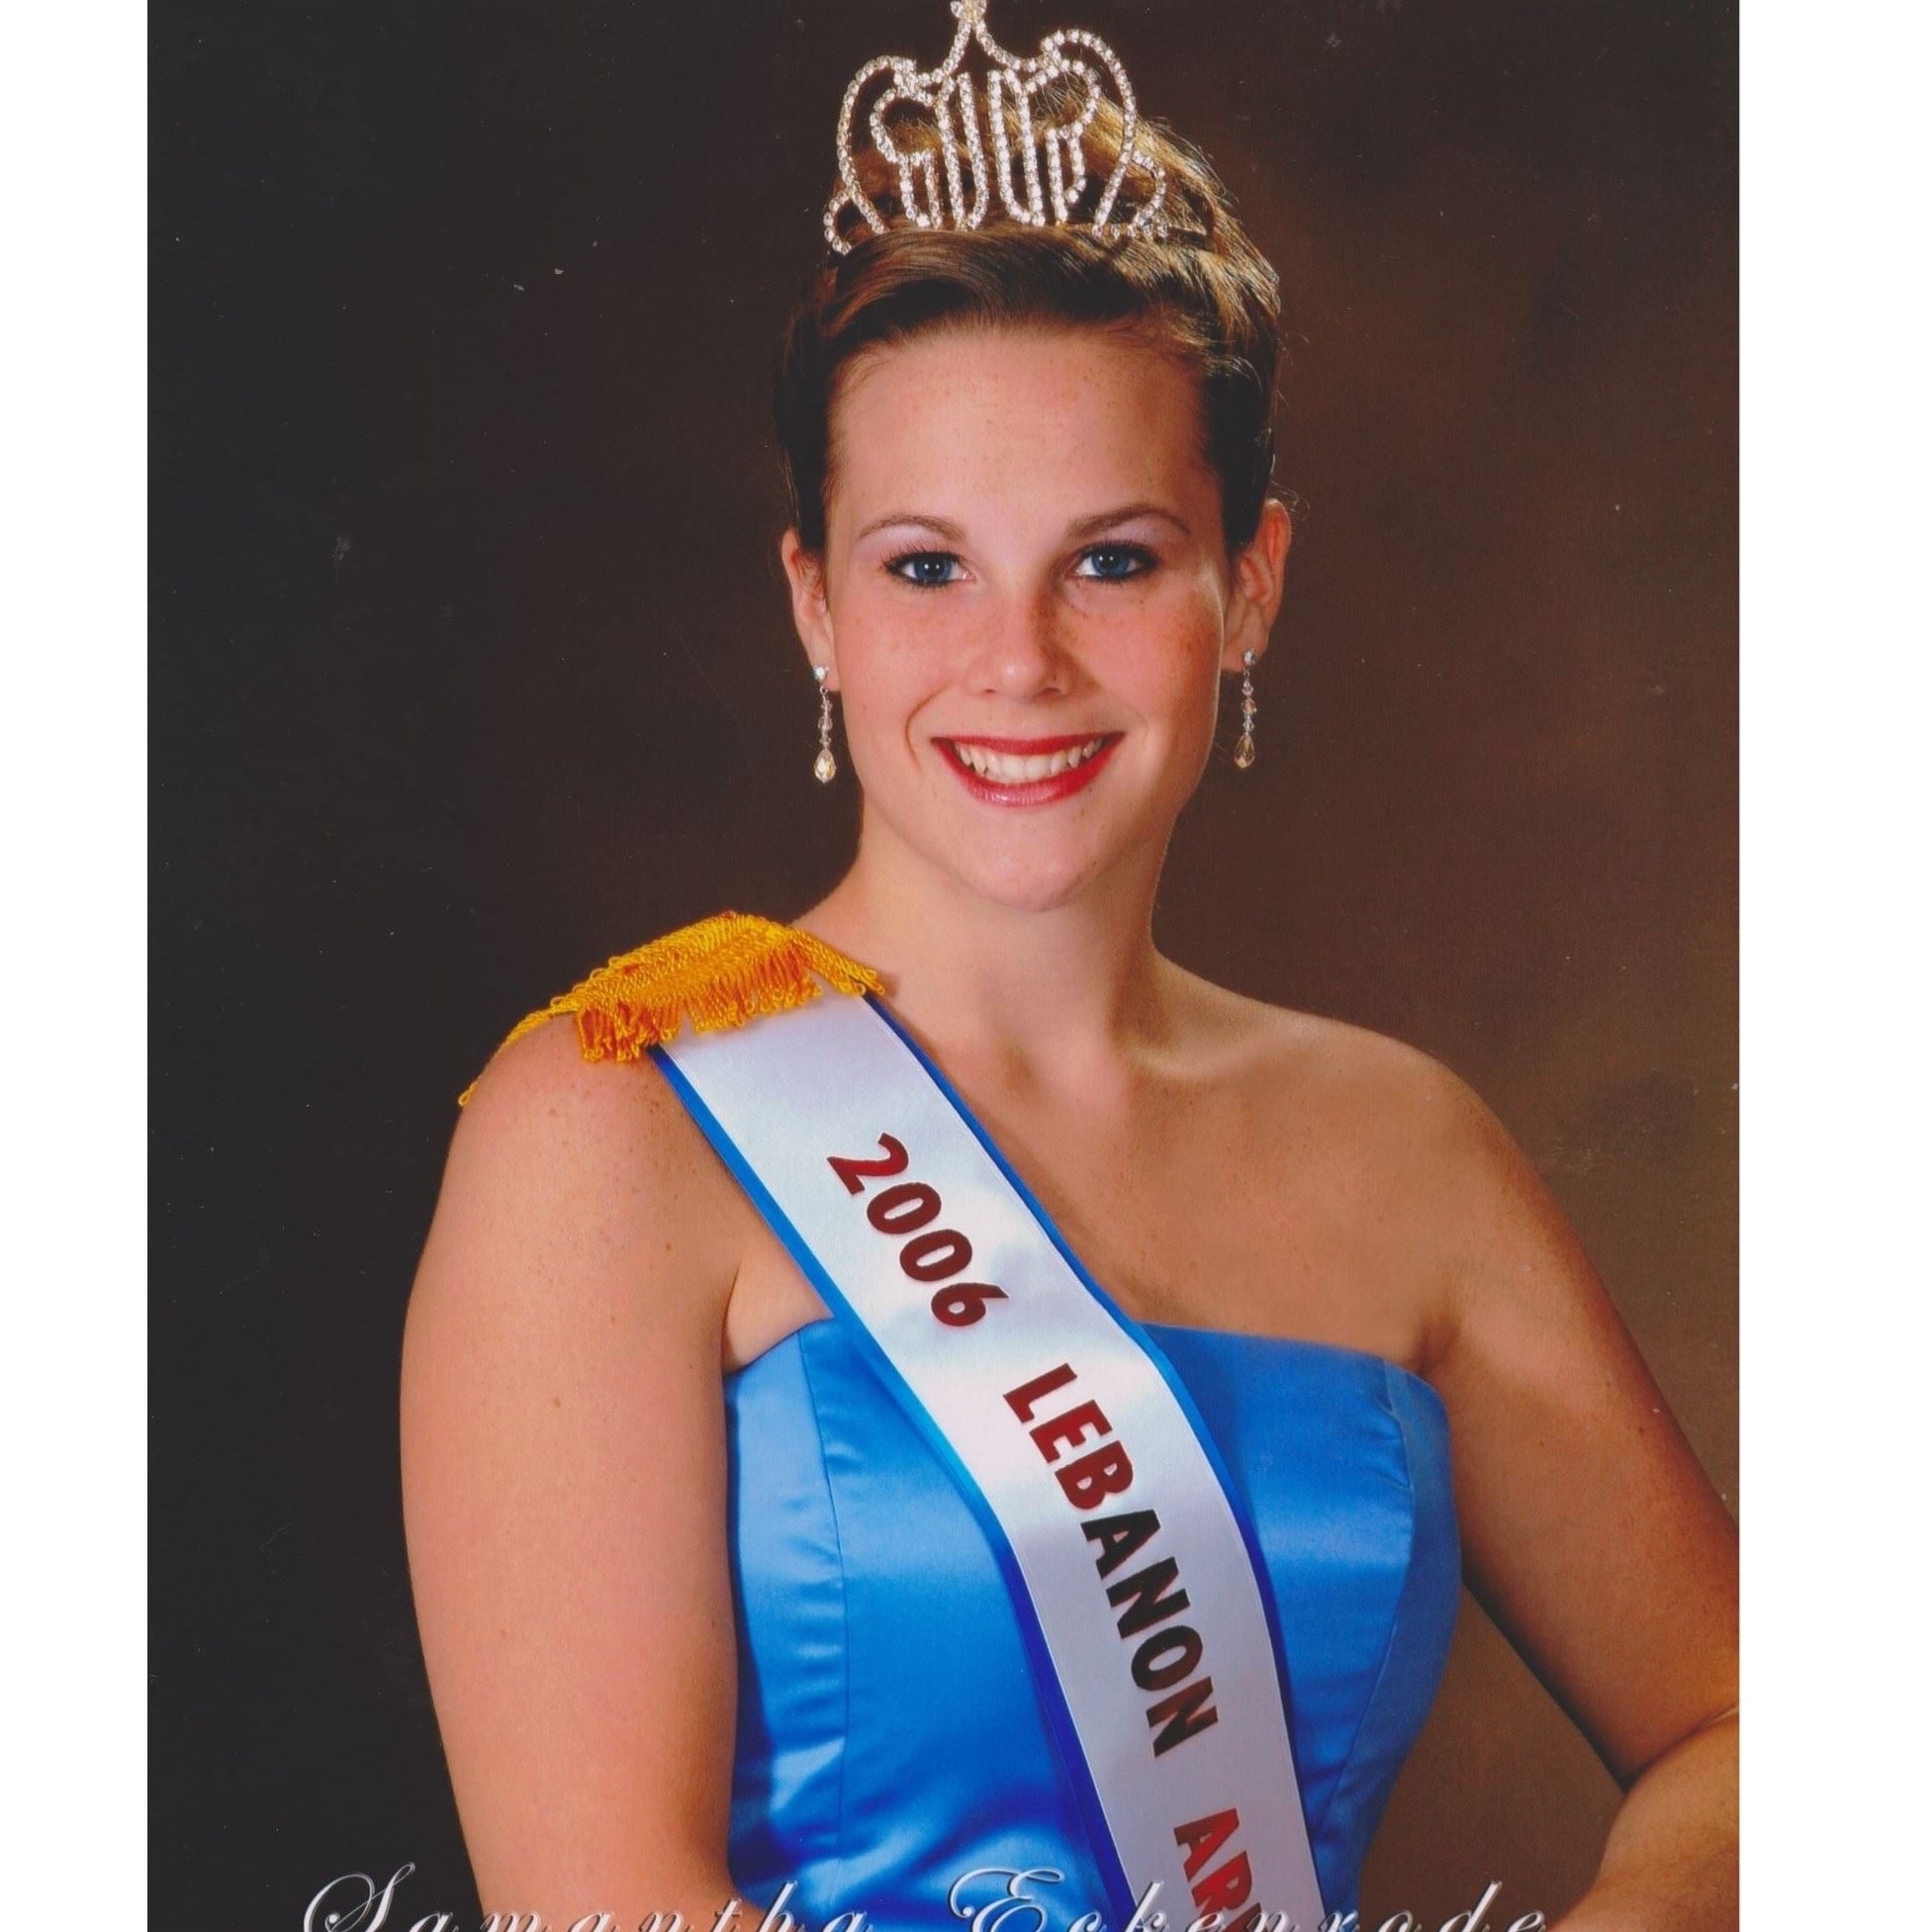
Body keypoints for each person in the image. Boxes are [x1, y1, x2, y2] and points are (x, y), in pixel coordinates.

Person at [401, 7, 1738, 1930]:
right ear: (813, 605)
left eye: (1109, 559)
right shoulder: (616, 1121)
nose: (1015, 659)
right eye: (926, 565)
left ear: (1246, 584)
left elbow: (1745, 1726)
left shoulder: (1406, 1147)